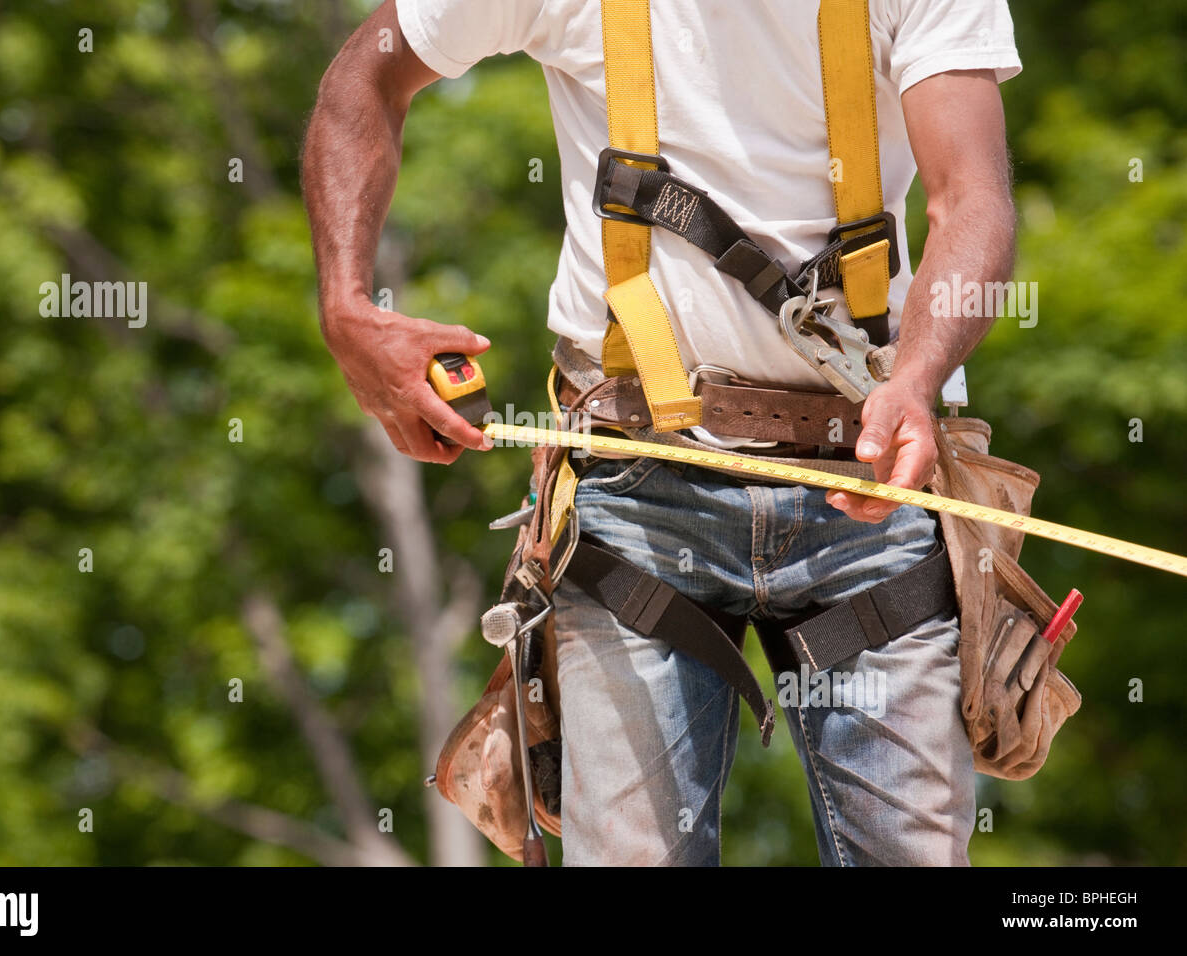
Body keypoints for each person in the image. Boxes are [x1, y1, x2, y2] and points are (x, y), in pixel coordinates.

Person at [302, 0, 1021, 866]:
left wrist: (913, 379)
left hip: (868, 492)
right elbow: (366, 74)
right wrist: (346, 310)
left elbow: (971, 199)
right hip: (636, 500)